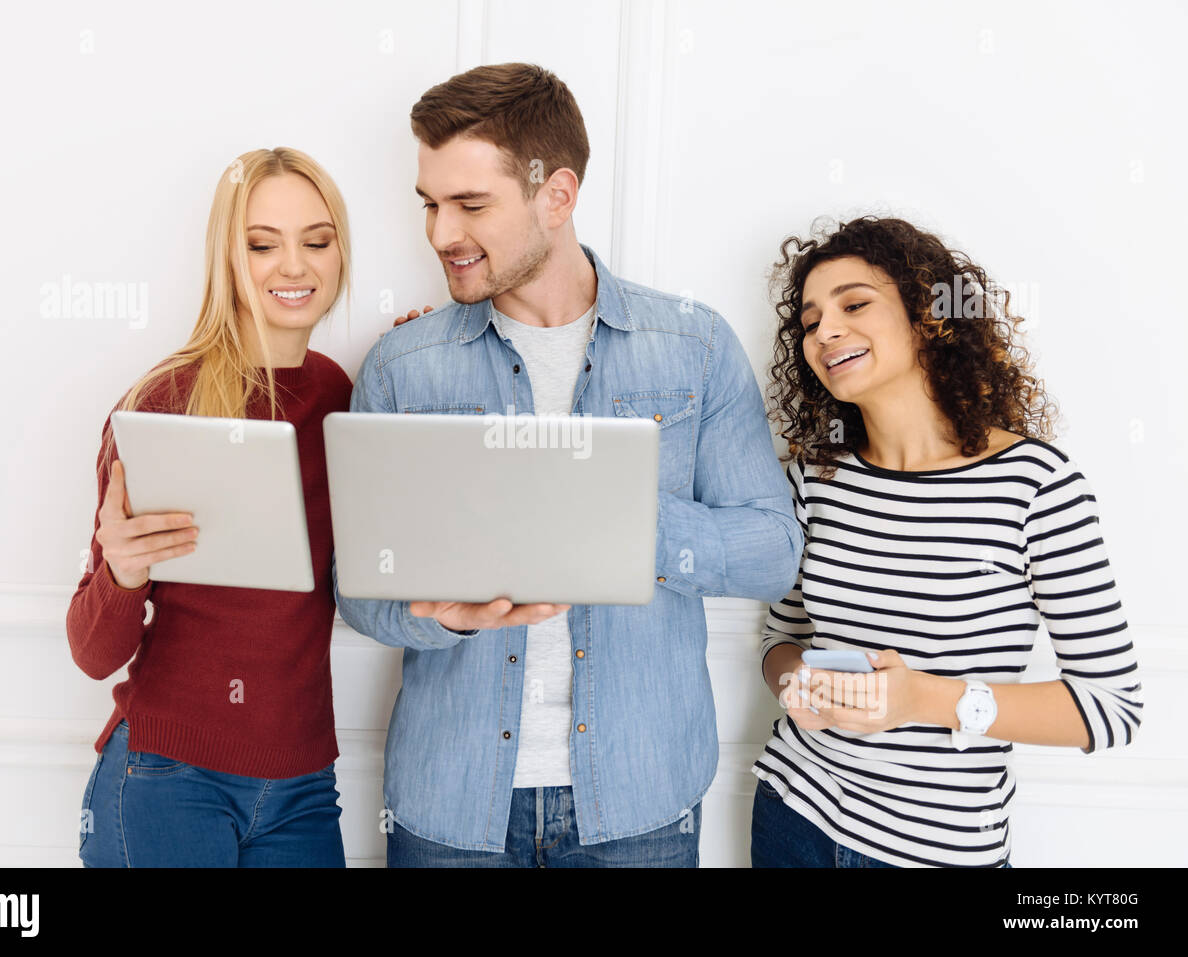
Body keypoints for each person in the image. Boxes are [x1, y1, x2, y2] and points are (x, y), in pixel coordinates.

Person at [334, 62, 802, 867]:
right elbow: (358, 591)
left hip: (641, 807)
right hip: (451, 810)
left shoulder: (693, 346)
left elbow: (772, 552)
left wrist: (619, 521)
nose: (441, 233)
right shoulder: (402, 367)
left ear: (557, 194)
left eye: (471, 204)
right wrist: (444, 613)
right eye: (431, 204)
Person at [751, 216, 1143, 867]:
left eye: (854, 304)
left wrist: (924, 698)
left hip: (939, 851)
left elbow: (1108, 707)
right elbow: (780, 640)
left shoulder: (1037, 486)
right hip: (796, 816)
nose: (825, 331)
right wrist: (796, 681)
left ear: (928, 317)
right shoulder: (814, 479)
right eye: (810, 320)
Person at [68, 147, 354, 867]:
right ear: (229, 257)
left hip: (305, 786)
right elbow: (92, 651)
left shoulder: (346, 397)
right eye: (263, 244)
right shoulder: (159, 405)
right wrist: (123, 574)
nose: (294, 266)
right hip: (166, 779)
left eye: (316, 241)